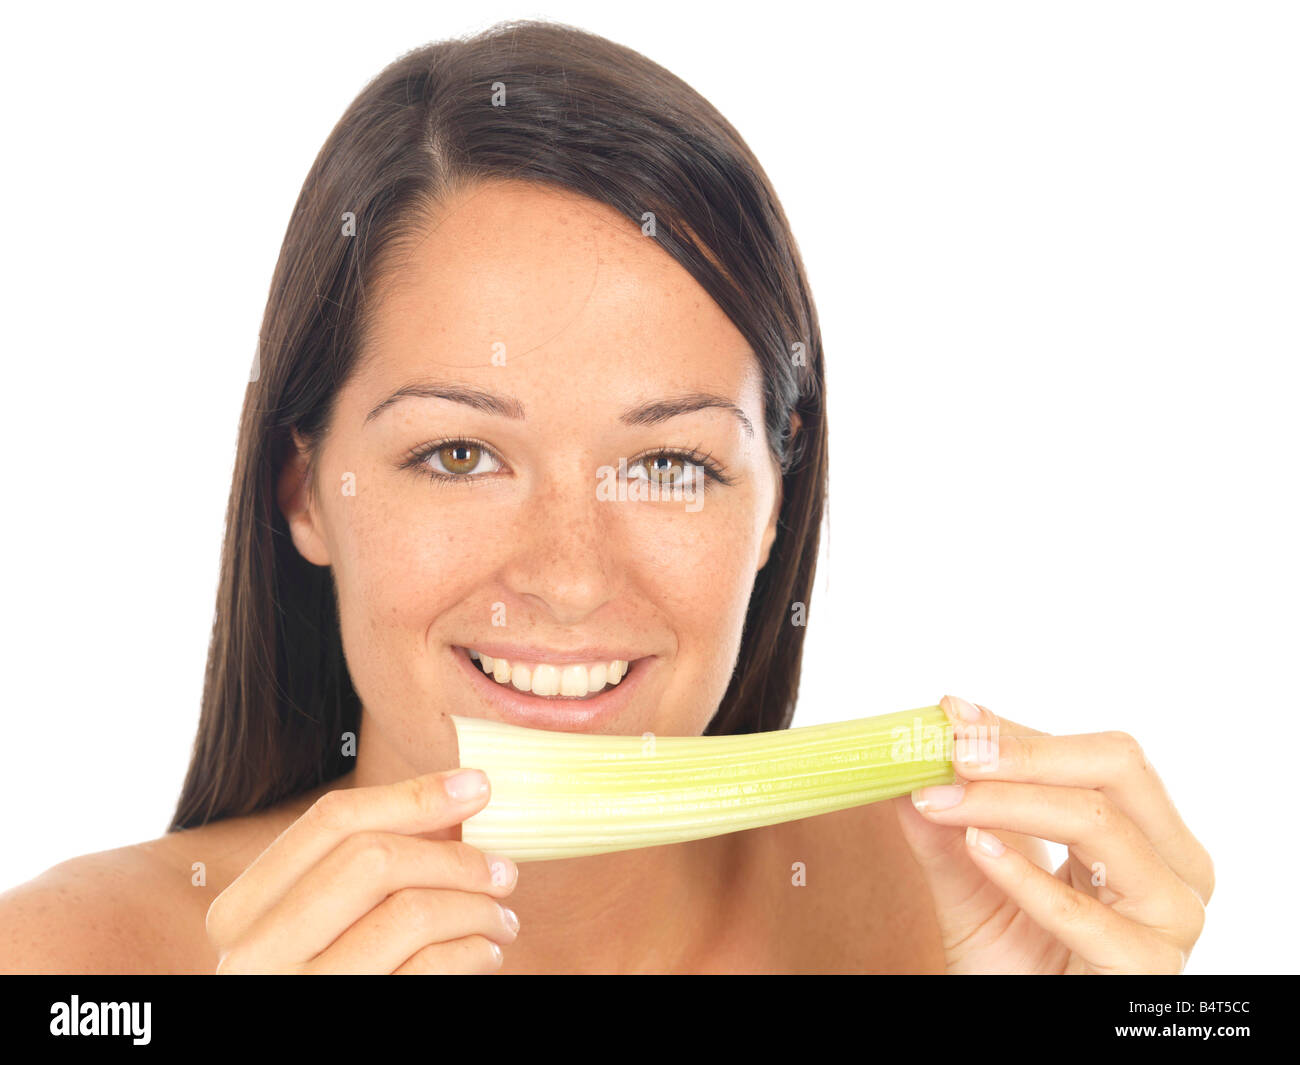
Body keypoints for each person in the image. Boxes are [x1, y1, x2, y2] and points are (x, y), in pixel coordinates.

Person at [0, 19, 1211, 975]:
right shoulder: (71, 971)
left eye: (672, 466)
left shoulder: (971, 910)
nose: (568, 576)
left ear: (775, 503)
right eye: (459, 456)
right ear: (305, 492)